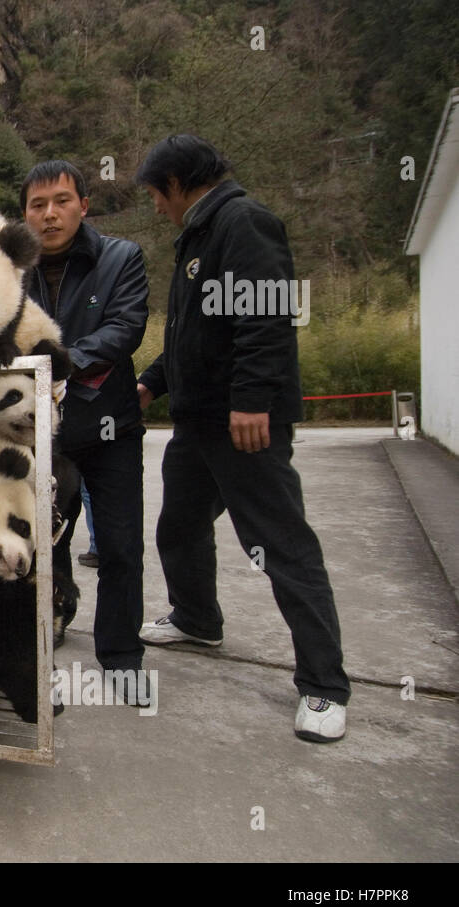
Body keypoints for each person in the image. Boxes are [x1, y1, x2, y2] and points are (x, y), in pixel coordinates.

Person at [133, 133, 350, 742]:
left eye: (155, 194)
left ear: (177, 184)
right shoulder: (198, 236)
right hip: (198, 423)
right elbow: (190, 335)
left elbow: (268, 317)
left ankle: (325, 687)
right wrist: (151, 383)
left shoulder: (244, 223)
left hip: (243, 424)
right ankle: (198, 619)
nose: (155, 206)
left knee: (281, 545)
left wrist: (252, 400)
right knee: (178, 526)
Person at [21, 160, 149, 694]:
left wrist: (54, 361)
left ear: (84, 205)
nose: (49, 215)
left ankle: (120, 657)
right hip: (42, 436)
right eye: (37, 205)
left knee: (120, 546)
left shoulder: (121, 258)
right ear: (24, 213)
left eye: (61, 201)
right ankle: (46, 628)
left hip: (110, 429)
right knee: (42, 542)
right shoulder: (10, 272)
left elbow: (124, 329)